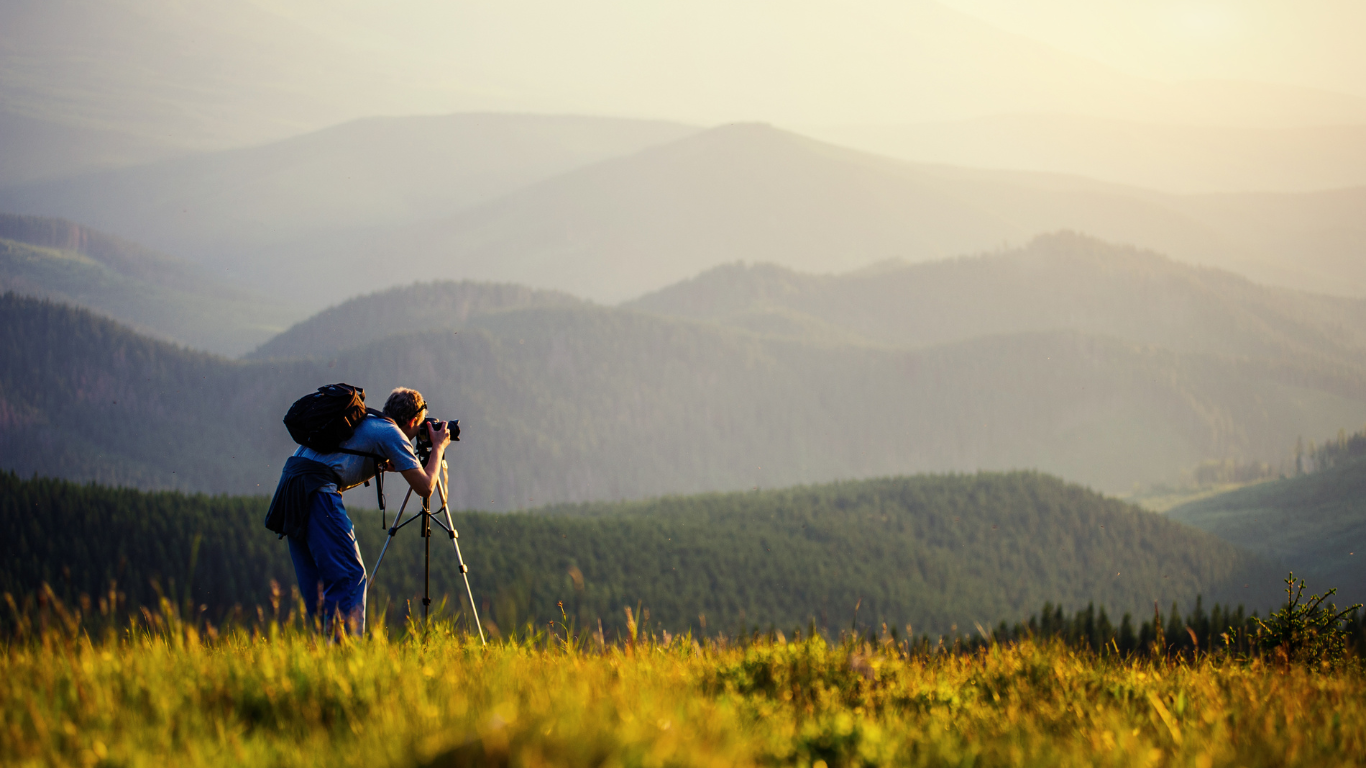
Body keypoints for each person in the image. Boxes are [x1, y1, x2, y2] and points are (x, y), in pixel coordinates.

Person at [274, 387, 451, 634]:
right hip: (317, 489)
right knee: (349, 576)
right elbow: (425, 487)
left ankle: (320, 649)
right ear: (413, 421)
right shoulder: (392, 433)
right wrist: (439, 446)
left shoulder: (367, 420)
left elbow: (345, 455)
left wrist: (391, 462)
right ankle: (346, 650)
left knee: (316, 583)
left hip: (290, 488)